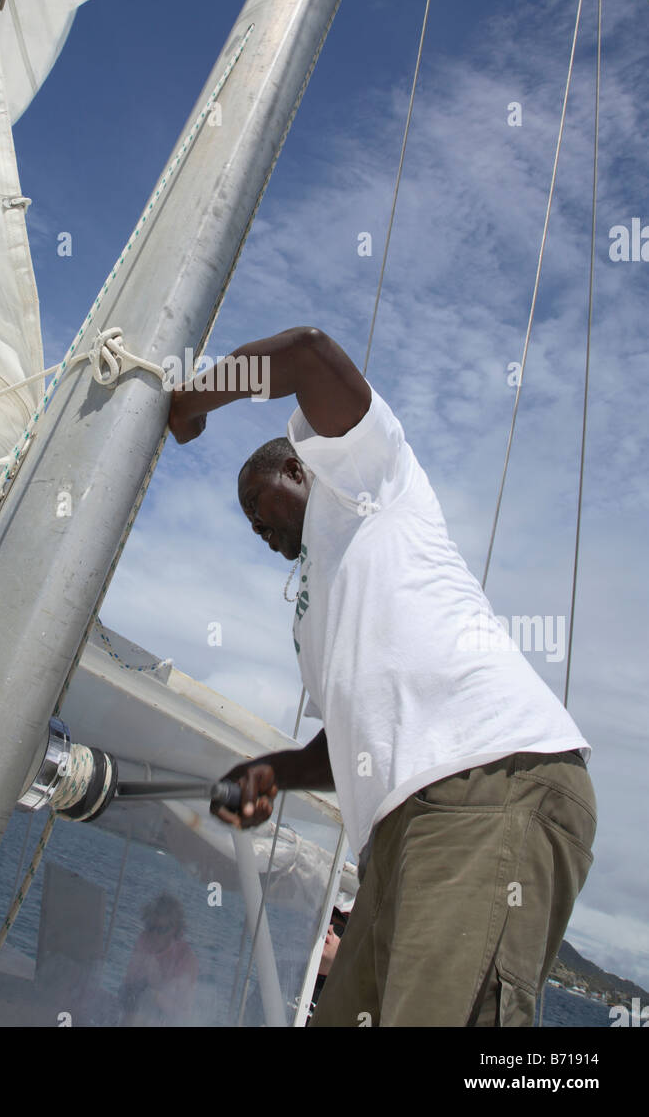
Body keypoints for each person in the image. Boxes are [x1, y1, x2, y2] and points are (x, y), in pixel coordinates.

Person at [168, 325, 595, 1027]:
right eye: (245, 515)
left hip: (488, 783)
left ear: (303, 470)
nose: (253, 523)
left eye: (259, 498)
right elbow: (353, 742)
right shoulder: (313, 615)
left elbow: (307, 354)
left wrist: (191, 400)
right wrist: (270, 772)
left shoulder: (366, 483)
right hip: (397, 830)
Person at [119, 892, 197, 1026]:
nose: (154, 934)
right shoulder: (144, 939)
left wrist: (155, 994)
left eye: (161, 929)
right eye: (151, 927)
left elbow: (183, 1014)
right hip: (136, 1012)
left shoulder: (185, 958)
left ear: (174, 929)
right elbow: (127, 985)